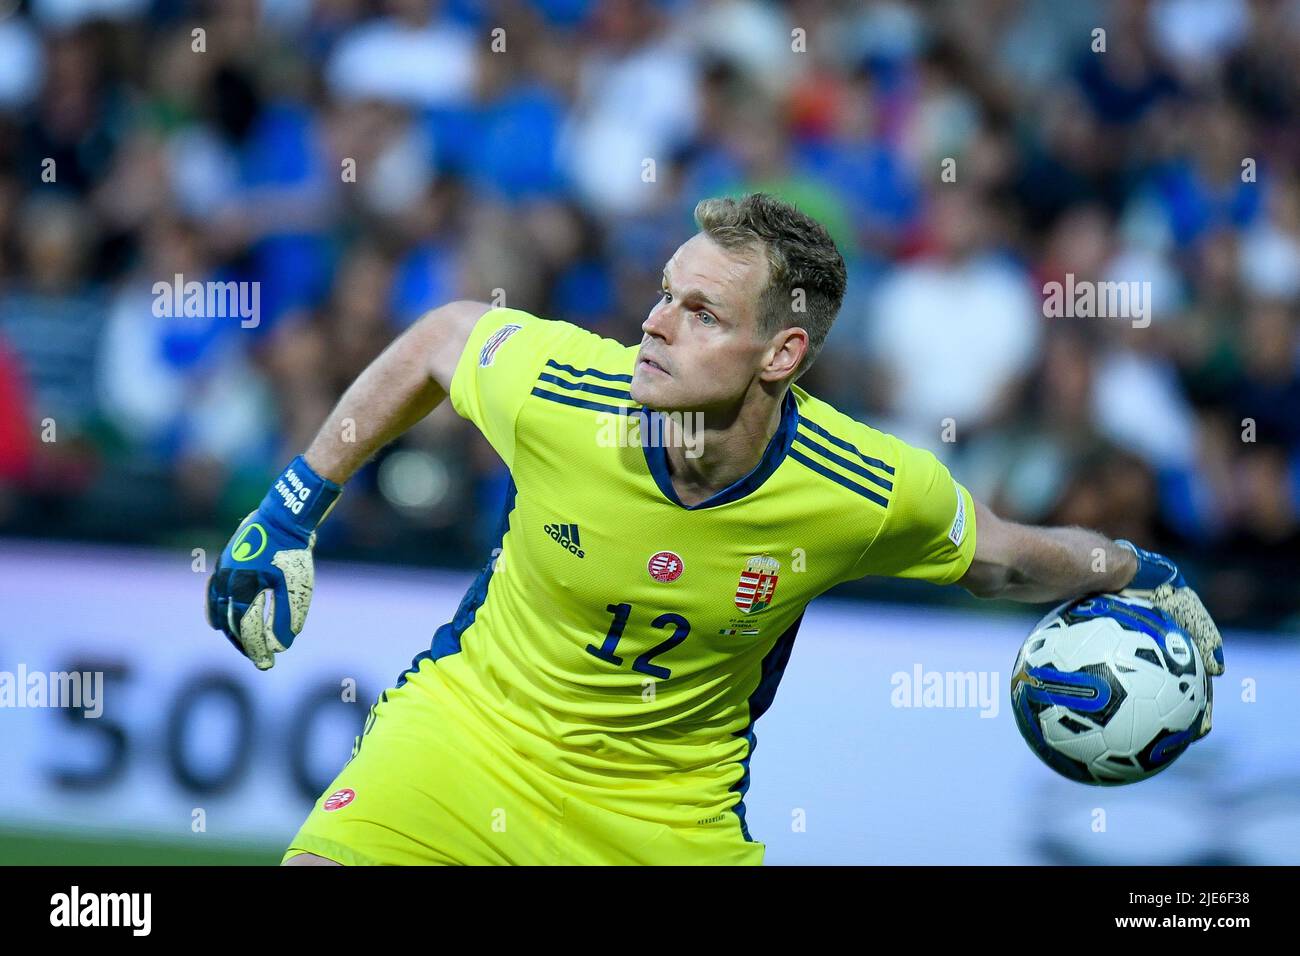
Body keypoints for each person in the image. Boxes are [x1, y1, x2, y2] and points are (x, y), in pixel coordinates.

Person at [205, 192, 1224, 866]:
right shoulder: (567, 390)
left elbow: (1002, 557)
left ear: (781, 353)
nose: (653, 323)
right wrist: (290, 508)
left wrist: (1139, 569)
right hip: (464, 743)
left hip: (664, 816)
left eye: (700, 312)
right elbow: (440, 338)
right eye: (664, 293)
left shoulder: (863, 487)